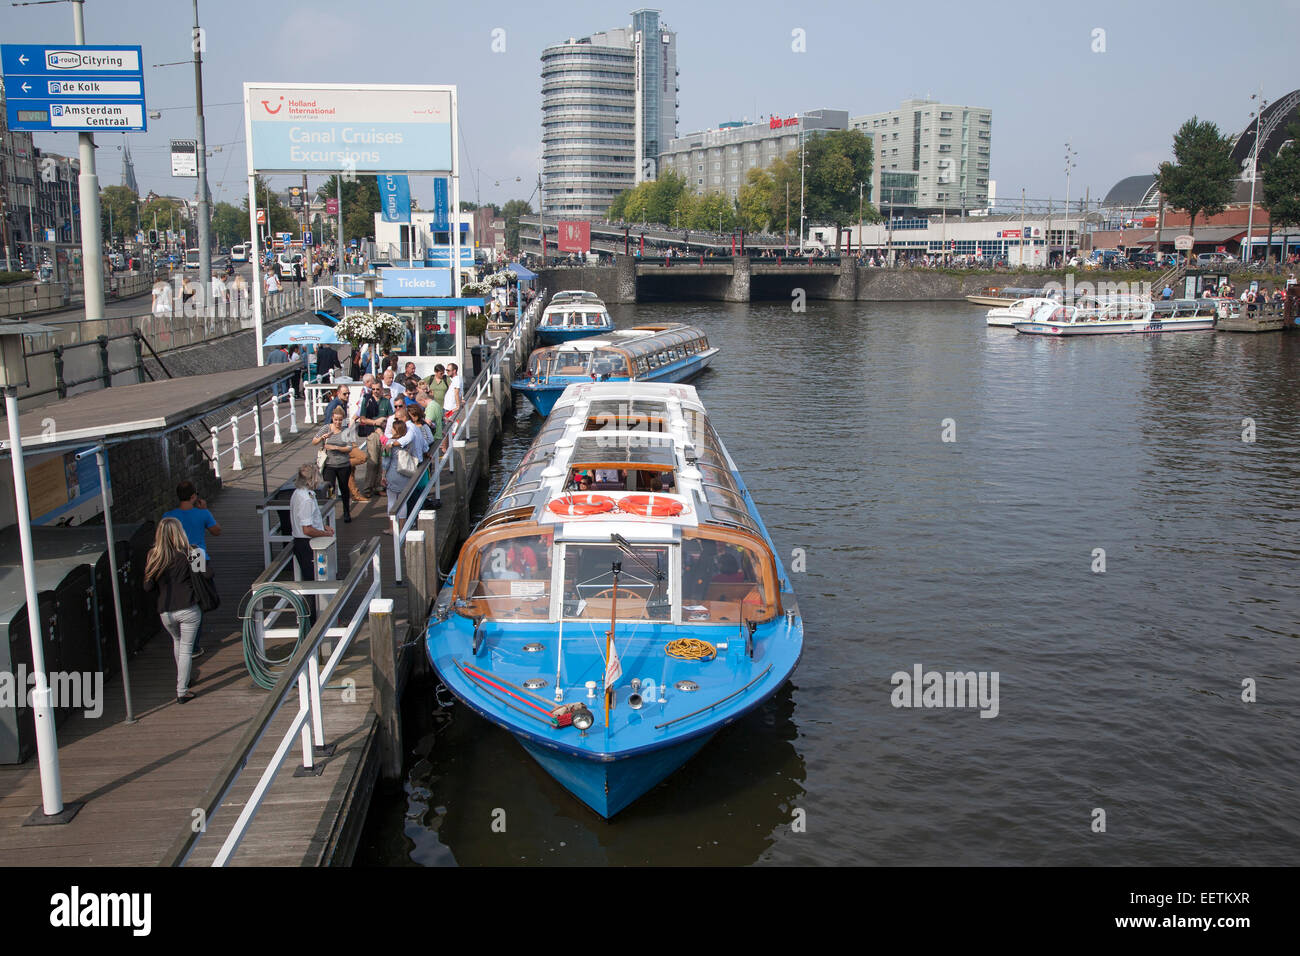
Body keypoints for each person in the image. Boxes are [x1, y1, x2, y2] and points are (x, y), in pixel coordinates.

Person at [142, 517, 208, 704]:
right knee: (186, 649)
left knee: (177, 642)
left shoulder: (153, 556)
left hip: (166, 611)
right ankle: (182, 691)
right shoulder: (190, 552)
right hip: (188, 607)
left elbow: (147, 587)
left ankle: (184, 678)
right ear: (179, 533)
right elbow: (206, 574)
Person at [161, 480, 222, 658]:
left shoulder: (168, 515)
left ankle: (180, 639)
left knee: (178, 592)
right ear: (194, 496)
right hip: (196, 555)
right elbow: (217, 531)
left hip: (175, 558)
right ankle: (193, 645)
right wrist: (205, 510)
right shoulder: (201, 514)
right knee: (199, 598)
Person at [289, 464, 334, 612]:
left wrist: (322, 527)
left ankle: (317, 613)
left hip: (302, 542)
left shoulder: (299, 493)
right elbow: (307, 529)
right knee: (314, 582)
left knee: (314, 580)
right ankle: (315, 617)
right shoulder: (306, 499)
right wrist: (325, 534)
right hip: (307, 545)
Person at [313, 405, 358, 522]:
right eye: (336, 419)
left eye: (340, 419)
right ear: (332, 418)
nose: (338, 422)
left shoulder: (346, 431)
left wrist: (335, 447)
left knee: (344, 489)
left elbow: (349, 448)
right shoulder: (326, 428)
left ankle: (346, 512)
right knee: (330, 489)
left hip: (343, 464)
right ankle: (329, 515)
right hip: (329, 465)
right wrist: (322, 438)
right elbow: (314, 441)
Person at [357, 380, 394, 496]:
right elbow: (362, 418)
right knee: (372, 461)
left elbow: (391, 416)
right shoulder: (367, 401)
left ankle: (378, 486)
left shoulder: (386, 402)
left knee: (381, 461)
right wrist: (375, 422)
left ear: (382, 389)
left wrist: (384, 422)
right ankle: (367, 488)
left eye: (378, 389)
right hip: (372, 433)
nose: (376, 391)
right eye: (373, 389)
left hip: (384, 433)